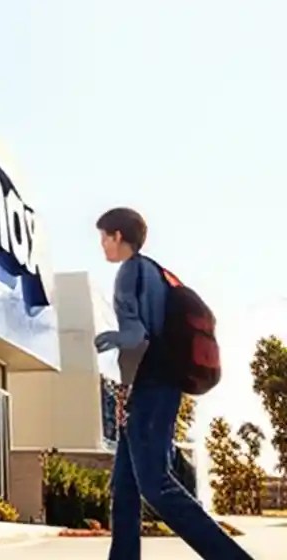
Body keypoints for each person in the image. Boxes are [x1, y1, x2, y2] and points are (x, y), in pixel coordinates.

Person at [93, 208, 253, 560]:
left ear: (119, 236)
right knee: (126, 490)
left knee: (155, 485)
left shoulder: (129, 271)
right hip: (159, 386)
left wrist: (108, 338)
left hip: (150, 388)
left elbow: (136, 335)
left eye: (104, 236)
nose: (102, 244)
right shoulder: (156, 272)